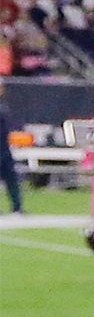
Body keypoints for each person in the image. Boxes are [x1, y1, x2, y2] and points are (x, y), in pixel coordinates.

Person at [0, 77, 23, 214]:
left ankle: (17, 207)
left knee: (11, 179)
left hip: (4, 147)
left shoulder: (3, 106)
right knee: (11, 178)